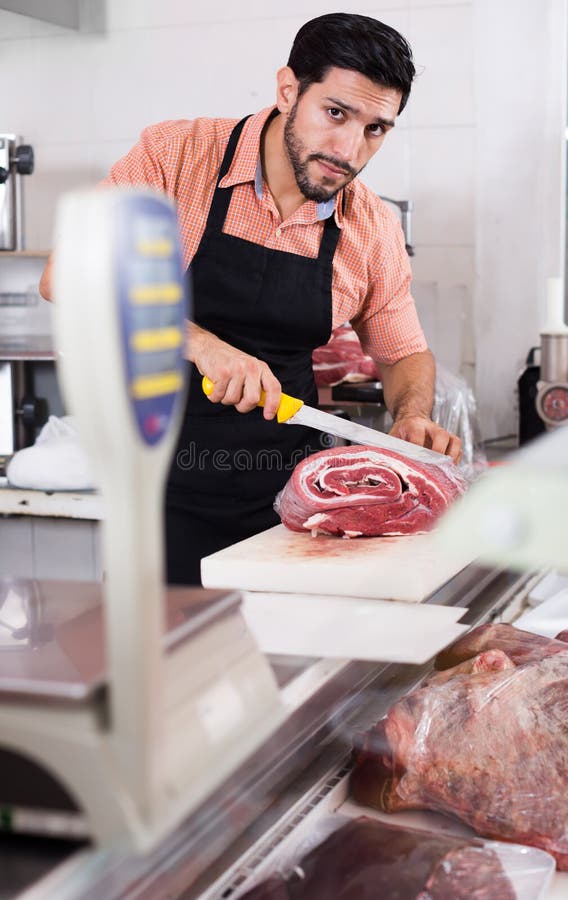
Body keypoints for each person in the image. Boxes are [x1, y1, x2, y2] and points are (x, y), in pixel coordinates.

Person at [40, 12, 462, 585]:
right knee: (172, 662)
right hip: (163, 485)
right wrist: (201, 344)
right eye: (335, 113)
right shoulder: (177, 156)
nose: (349, 150)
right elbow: (69, 274)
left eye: (375, 129)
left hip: (298, 499)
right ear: (289, 89)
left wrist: (411, 416)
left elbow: (401, 351)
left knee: (285, 664)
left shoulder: (370, 226)